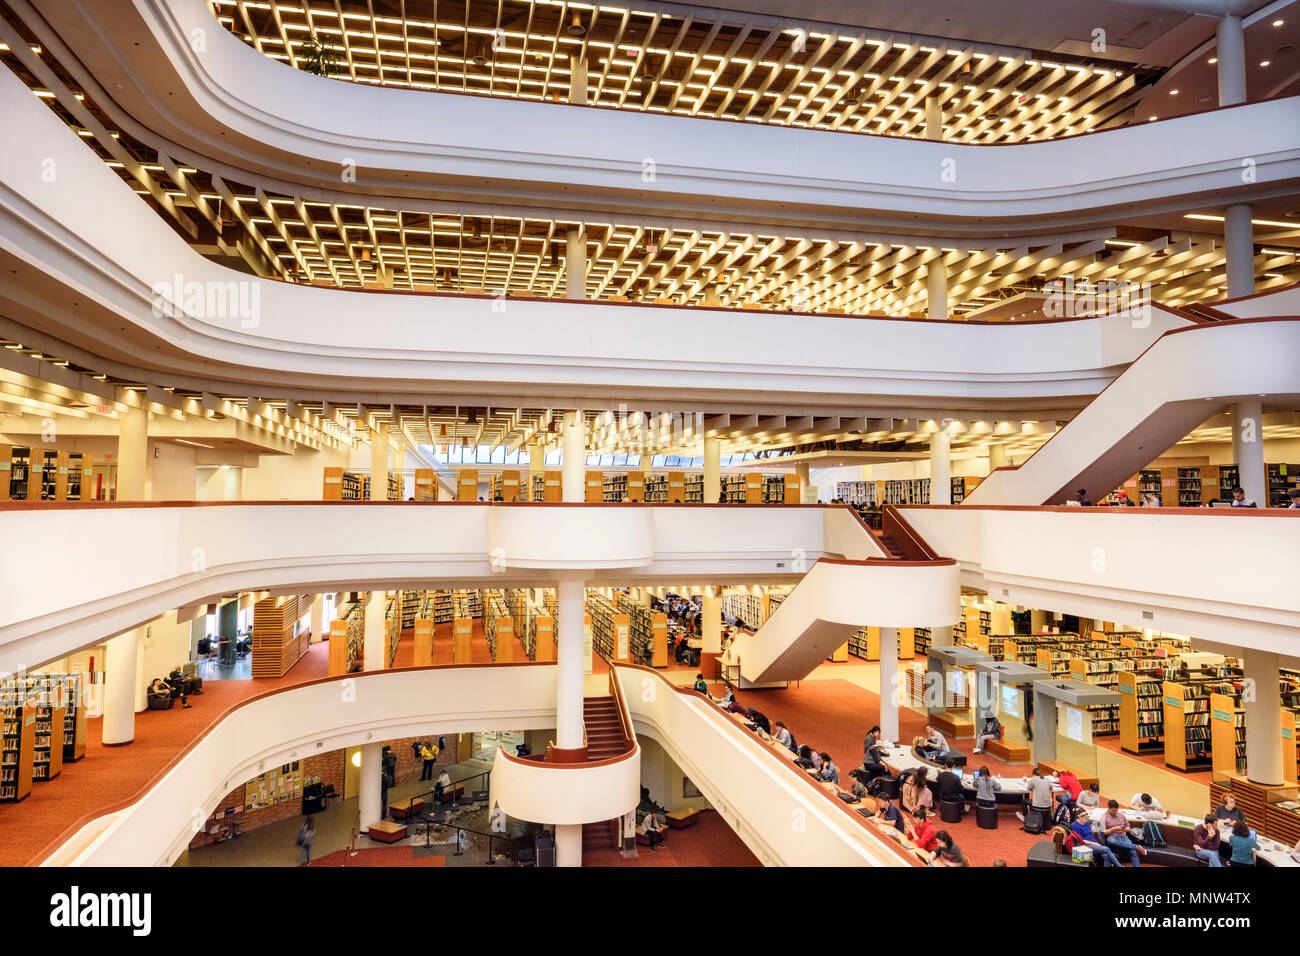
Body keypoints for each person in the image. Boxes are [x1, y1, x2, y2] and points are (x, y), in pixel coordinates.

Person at [1101, 799, 1145, 866]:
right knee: (1110, 840)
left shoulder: (1121, 815)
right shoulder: (1103, 816)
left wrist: (1124, 829)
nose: (1115, 812)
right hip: (1112, 838)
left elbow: (1128, 828)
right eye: (1113, 810)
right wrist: (1113, 829)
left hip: (1123, 837)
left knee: (1133, 851)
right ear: (1108, 808)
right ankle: (1136, 846)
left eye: (1116, 810)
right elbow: (1103, 832)